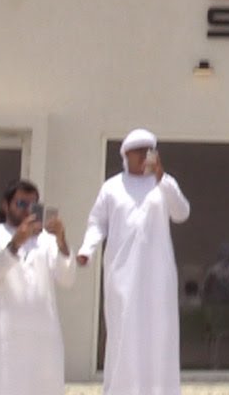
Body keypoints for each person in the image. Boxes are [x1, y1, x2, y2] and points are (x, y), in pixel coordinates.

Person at [78, 128, 191, 395]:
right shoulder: (111, 187)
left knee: (159, 335)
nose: (144, 156)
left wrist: (162, 178)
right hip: (122, 274)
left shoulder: (164, 184)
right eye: (138, 151)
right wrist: (87, 250)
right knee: (124, 333)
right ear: (126, 155)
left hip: (158, 276)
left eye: (148, 151)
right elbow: (97, 223)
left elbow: (182, 213)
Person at [0, 179, 75, 395]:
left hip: (42, 341)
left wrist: (62, 241)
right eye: (21, 204)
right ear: (6, 205)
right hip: (4, 341)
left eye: (33, 205)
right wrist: (15, 244)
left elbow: (67, 278)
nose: (28, 210)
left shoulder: (47, 240)